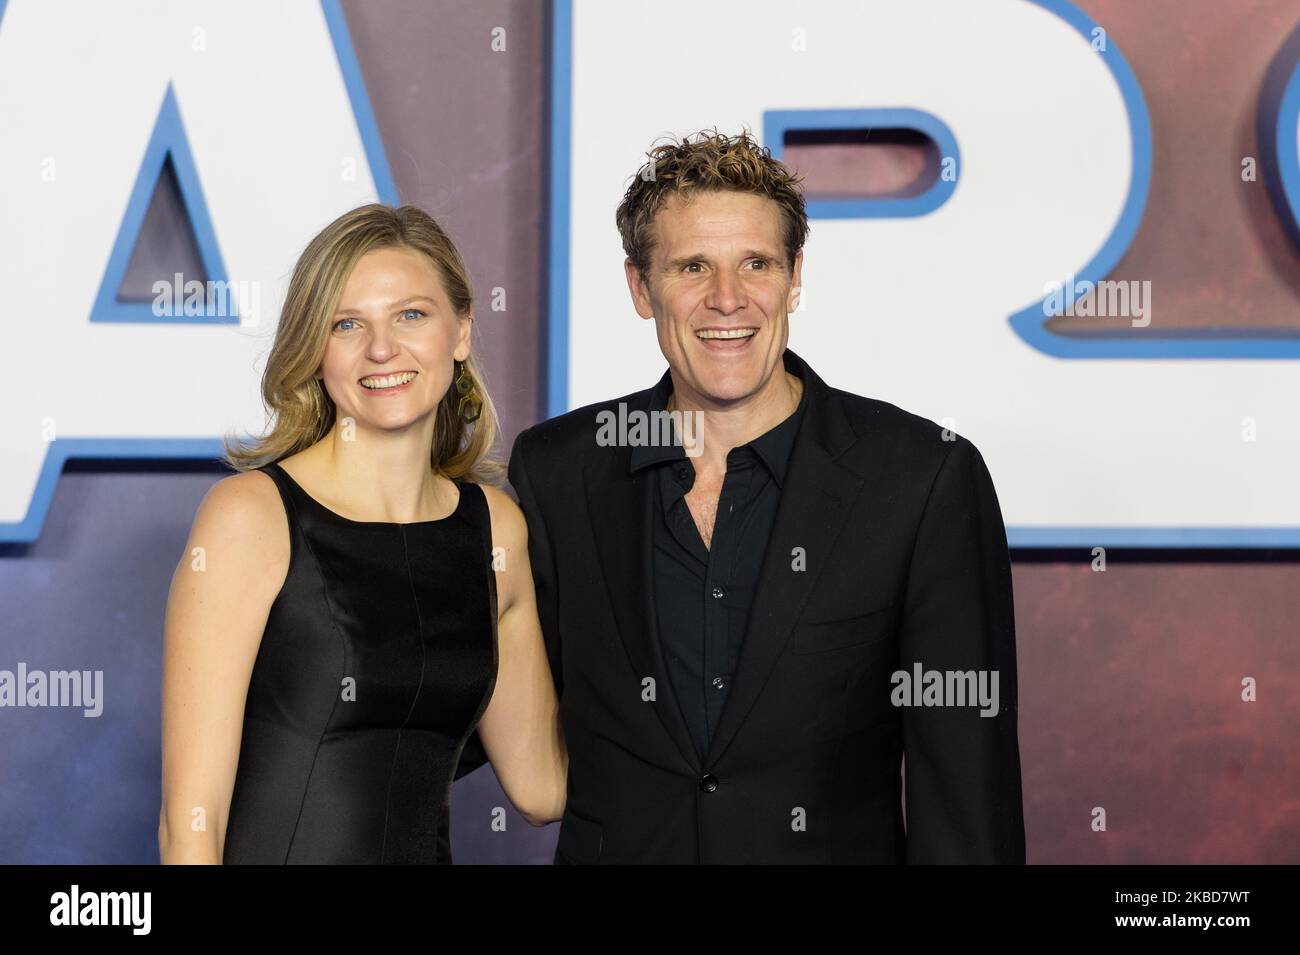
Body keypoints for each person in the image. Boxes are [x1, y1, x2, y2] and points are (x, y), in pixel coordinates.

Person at [506, 129, 1025, 863]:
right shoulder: (558, 470)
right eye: (692, 266)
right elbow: (473, 708)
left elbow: (966, 798)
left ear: (794, 276)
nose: (728, 298)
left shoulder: (922, 477)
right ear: (639, 287)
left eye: (756, 263)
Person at [158, 203, 565, 864]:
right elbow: (189, 824)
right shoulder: (249, 517)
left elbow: (544, 785)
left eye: (411, 314)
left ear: (460, 330)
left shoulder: (496, 528)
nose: (382, 348)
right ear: (314, 351)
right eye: (348, 323)